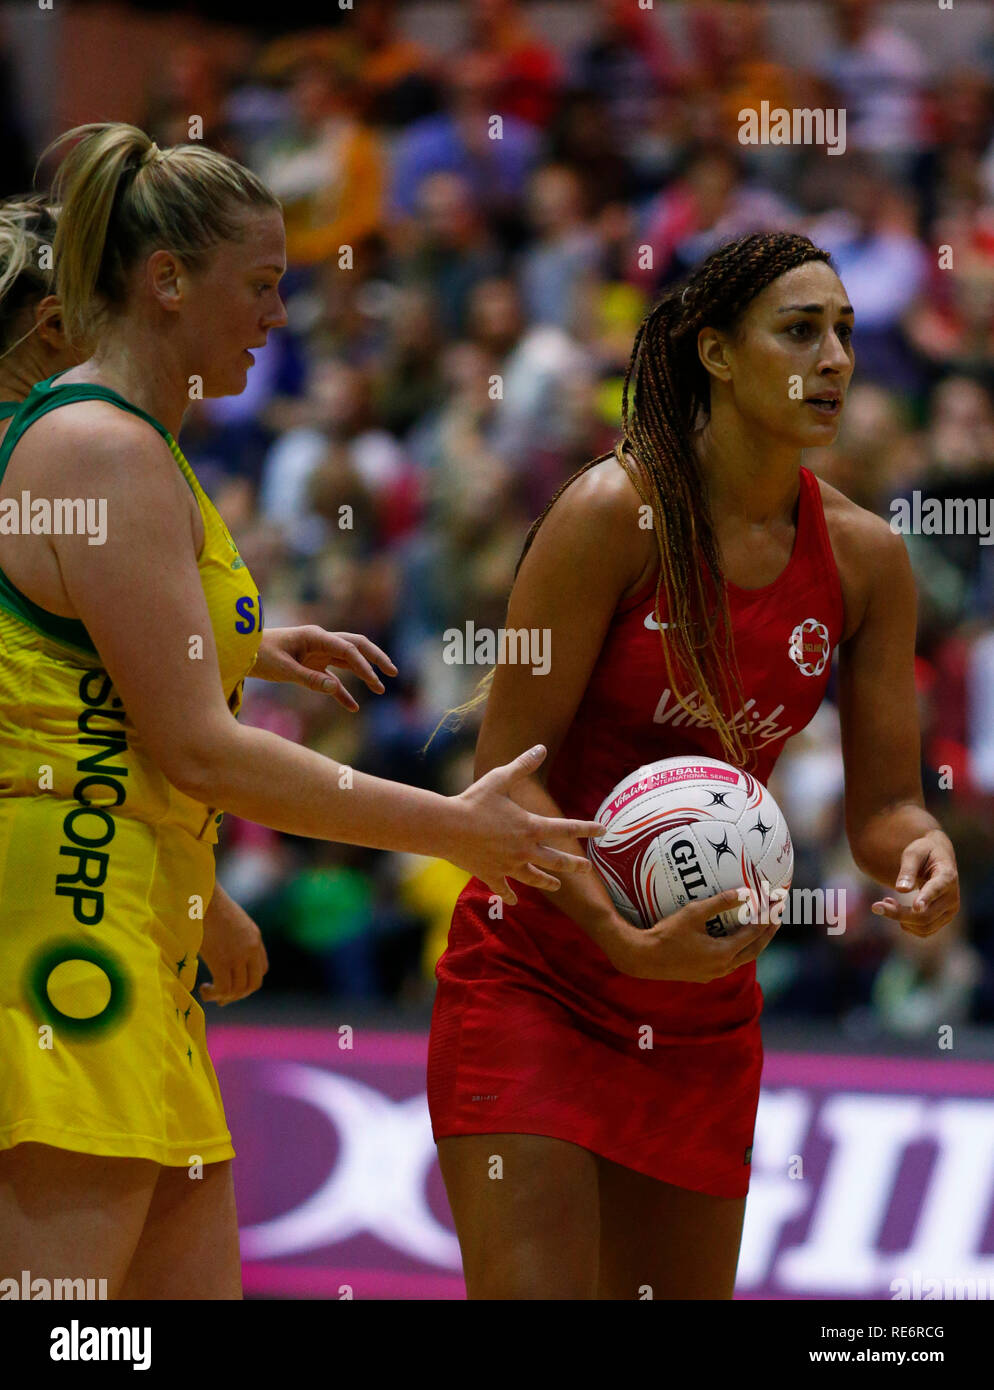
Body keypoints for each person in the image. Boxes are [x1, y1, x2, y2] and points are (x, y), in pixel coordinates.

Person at [0, 123, 604, 1301]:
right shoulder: (98, 452)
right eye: (264, 283)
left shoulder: (117, 444)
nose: (280, 313)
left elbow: (89, 668)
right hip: (67, 935)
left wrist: (246, 658)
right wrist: (453, 826)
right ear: (166, 280)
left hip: (136, 920)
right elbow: (191, 746)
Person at [426, 231, 960, 1299]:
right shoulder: (608, 516)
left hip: (703, 1005)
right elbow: (505, 781)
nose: (837, 359)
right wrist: (613, 929)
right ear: (714, 353)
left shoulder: (866, 561)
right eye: (800, 331)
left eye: (846, 333)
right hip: (538, 974)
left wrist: (924, 849)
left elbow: (885, 807)